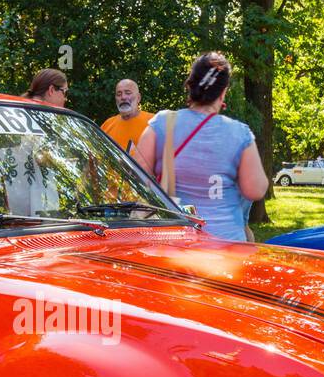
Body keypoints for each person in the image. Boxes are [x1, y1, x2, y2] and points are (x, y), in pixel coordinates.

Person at [134, 52, 269, 242]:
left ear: (190, 85)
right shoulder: (239, 133)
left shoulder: (163, 123)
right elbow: (255, 190)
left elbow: (136, 178)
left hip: (174, 241)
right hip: (225, 242)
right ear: (223, 92)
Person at [100, 79, 153, 157]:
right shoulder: (107, 124)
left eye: (128, 93)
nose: (123, 97)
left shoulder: (154, 122)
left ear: (138, 98)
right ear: (115, 99)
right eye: (119, 94)